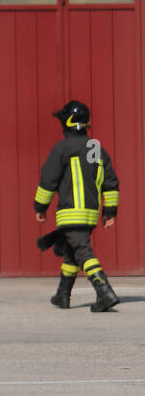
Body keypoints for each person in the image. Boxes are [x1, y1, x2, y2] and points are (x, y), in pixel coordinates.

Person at [34, 100, 121, 311]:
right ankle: (62, 295)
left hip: (71, 212)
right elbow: (111, 182)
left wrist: (40, 206)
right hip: (90, 213)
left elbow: (48, 180)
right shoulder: (96, 147)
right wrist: (109, 211)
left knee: (82, 251)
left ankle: (105, 292)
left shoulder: (62, 148)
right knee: (71, 251)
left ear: (67, 122)